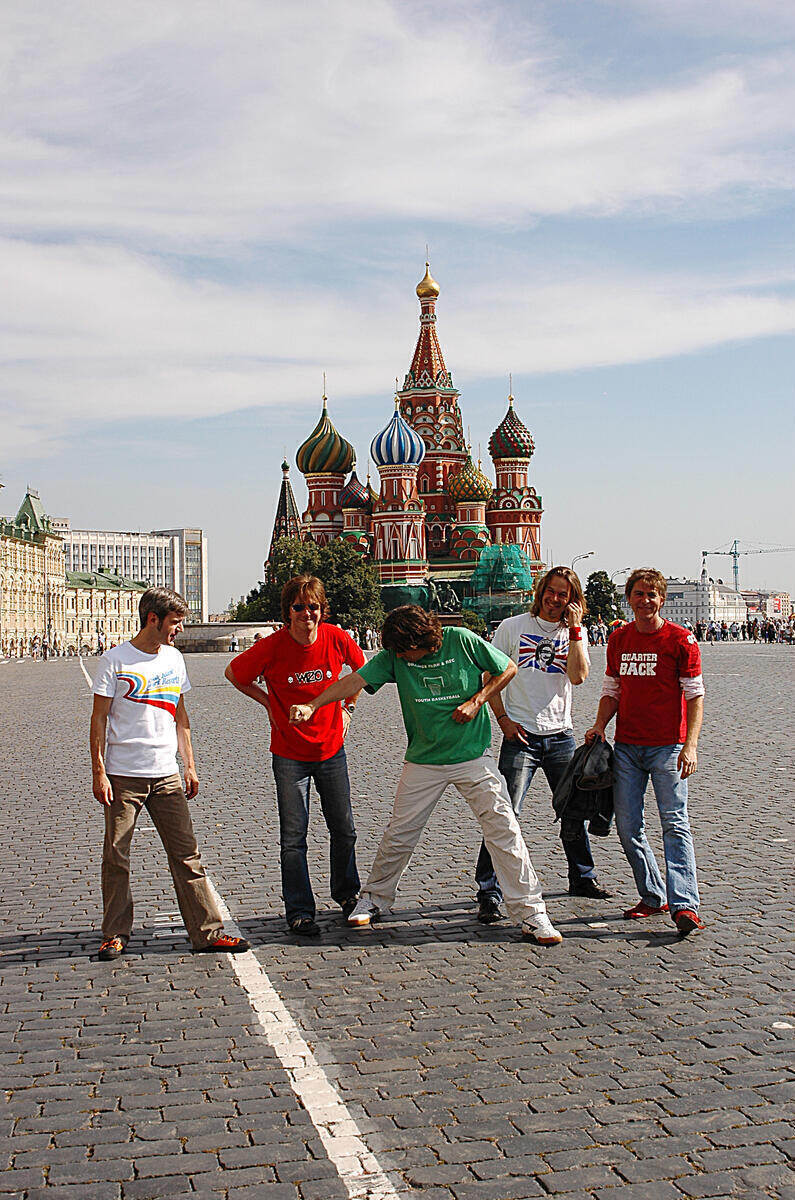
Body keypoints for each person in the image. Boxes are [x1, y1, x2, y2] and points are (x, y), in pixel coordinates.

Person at [290, 606, 563, 945]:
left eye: (407, 652)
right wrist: (314, 704)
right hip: (423, 760)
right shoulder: (395, 656)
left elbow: (506, 668)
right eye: (399, 653)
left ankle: (531, 912)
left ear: (425, 639)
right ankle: (374, 898)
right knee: (400, 832)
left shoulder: (461, 640)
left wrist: (477, 701)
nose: (404, 658)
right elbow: (354, 680)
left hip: (472, 756)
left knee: (503, 828)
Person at [90, 587, 249, 960]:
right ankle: (115, 933)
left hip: (166, 775)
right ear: (153, 620)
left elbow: (181, 716)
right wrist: (99, 770)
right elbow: (98, 719)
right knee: (116, 856)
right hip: (123, 774)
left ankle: (207, 932)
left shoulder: (175, 659)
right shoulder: (115, 660)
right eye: (175, 623)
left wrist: (189, 765)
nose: (179, 630)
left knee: (187, 855)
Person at [224, 575, 364, 936]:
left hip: (331, 749)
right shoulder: (272, 646)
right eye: (299, 607)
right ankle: (300, 909)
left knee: (344, 828)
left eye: (313, 607)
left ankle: (347, 894)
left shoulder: (337, 638)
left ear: (322, 610)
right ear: (288, 611)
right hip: (289, 754)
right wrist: (268, 702)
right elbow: (234, 674)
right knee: (293, 837)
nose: (307, 614)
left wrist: (348, 709)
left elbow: (362, 672)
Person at [474, 566, 609, 926]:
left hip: (560, 735)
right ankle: (489, 891)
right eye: (550, 591)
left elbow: (579, 676)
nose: (555, 599)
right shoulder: (512, 627)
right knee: (505, 815)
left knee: (573, 811)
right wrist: (502, 719)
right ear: (540, 592)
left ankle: (582, 876)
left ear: (573, 599)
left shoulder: (573, 634)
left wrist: (577, 630)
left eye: (563, 594)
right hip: (521, 735)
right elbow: (488, 676)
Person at [585, 568, 705, 935]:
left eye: (652, 594)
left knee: (675, 823)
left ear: (662, 599)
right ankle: (652, 895)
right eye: (639, 594)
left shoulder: (681, 640)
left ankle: (684, 904)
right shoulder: (619, 638)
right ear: (630, 598)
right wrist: (599, 725)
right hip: (627, 748)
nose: (645, 601)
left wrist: (691, 745)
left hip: (668, 748)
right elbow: (612, 689)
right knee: (627, 826)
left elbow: (695, 695)